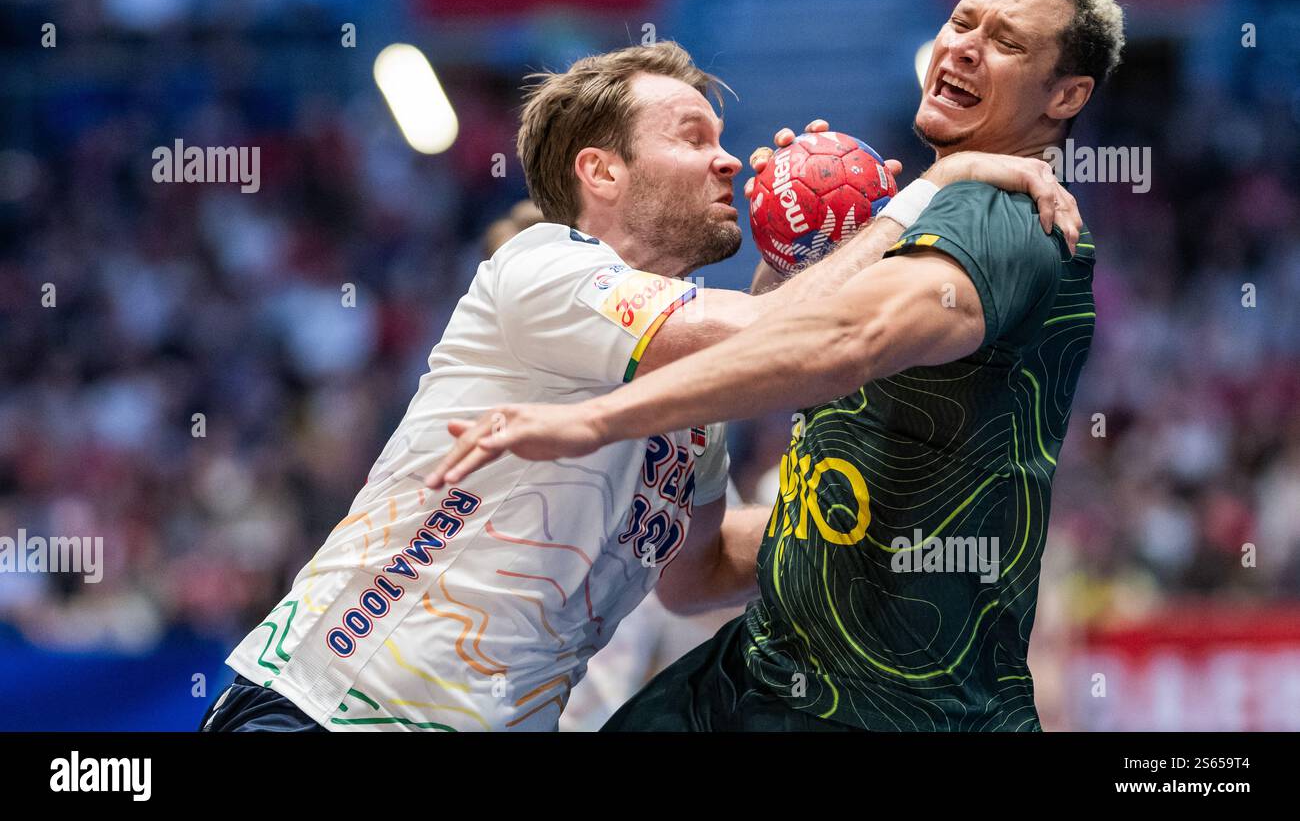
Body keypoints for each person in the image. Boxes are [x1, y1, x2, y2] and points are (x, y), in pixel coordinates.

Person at [202, 39, 1077, 731]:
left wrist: (895, 514)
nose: (730, 162)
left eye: (723, 140)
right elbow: (779, 333)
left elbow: (697, 574)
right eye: (693, 138)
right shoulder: (539, 265)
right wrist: (921, 199)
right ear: (602, 172)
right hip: (328, 707)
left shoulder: (692, 401)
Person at [429, 0, 1123, 731]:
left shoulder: (996, 213)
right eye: (963, 20)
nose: (964, 43)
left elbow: (842, 347)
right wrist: (795, 262)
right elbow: (726, 558)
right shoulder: (925, 219)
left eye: (1006, 42)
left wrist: (596, 419)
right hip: (774, 665)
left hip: (880, 704)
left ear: (1065, 94)